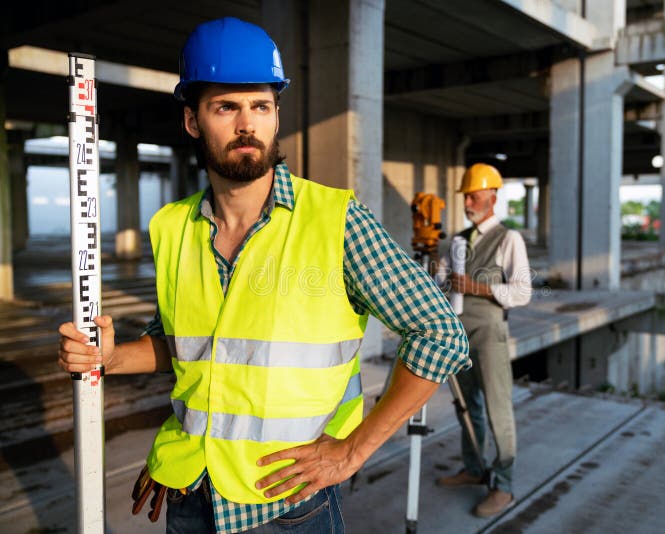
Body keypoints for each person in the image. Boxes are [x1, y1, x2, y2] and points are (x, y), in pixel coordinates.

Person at [58, 17, 469, 533]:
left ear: (276, 117)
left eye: (261, 106)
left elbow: (440, 335)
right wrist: (111, 357)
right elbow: (188, 346)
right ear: (192, 121)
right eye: (226, 107)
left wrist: (352, 451)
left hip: (286, 507)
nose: (246, 123)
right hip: (188, 493)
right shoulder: (171, 227)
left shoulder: (336, 222)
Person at [435, 163, 531, 517]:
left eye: (473, 195)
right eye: (466, 196)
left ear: (492, 198)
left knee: (497, 408)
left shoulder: (509, 239)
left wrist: (478, 287)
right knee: (467, 406)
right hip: (459, 331)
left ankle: (503, 488)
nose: (468, 201)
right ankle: (474, 469)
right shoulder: (458, 240)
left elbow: (523, 292)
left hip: (490, 332)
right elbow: (441, 283)